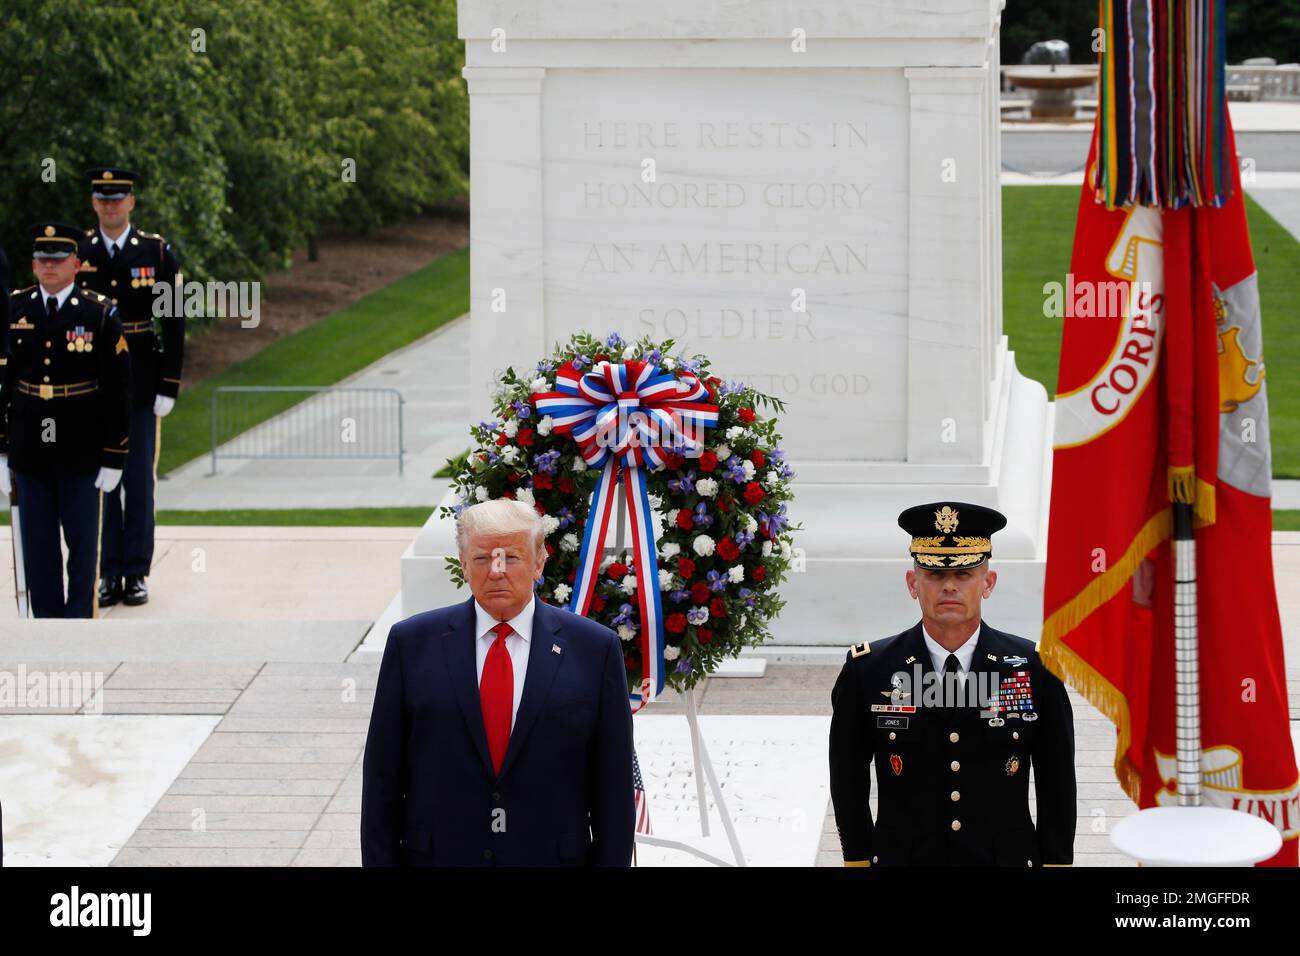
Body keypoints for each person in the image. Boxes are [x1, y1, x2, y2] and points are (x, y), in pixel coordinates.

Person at [361, 498, 636, 866]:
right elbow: (382, 778)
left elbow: (613, 789)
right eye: (482, 557)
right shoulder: (411, 644)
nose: (496, 570)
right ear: (462, 562)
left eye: (511, 557)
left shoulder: (594, 650)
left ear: (539, 562)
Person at [829, 501, 1077, 867]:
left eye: (964, 575)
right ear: (913, 584)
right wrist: (858, 859)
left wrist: (1056, 862)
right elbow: (848, 779)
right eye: (933, 575)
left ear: (988, 583)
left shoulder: (1034, 669)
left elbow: (1057, 781)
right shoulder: (870, 671)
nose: (948, 586)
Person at [0, 224, 131, 618]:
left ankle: (78, 631)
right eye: (42, 259)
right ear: (33, 265)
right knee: (38, 550)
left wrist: (114, 456)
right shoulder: (14, 309)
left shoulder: (100, 313)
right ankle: (46, 630)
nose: (49, 266)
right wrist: (2, 448)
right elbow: (3, 382)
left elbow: (118, 389)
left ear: (76, 264)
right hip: (30, 450)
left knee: (82, 550)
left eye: (57, 260)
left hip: (80, 449)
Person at [78, 168, 183, 608]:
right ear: (94, 203)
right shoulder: (78, 252)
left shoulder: (156, 252)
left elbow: (174, 319)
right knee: (102, 481)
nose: (110, 205)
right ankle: (107, 572)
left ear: (131, 202)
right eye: (103, 199)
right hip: (93, 385)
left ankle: (136, 571)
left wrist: (169, 383)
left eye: (117, 198)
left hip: (140, 379)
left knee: (138, 481)